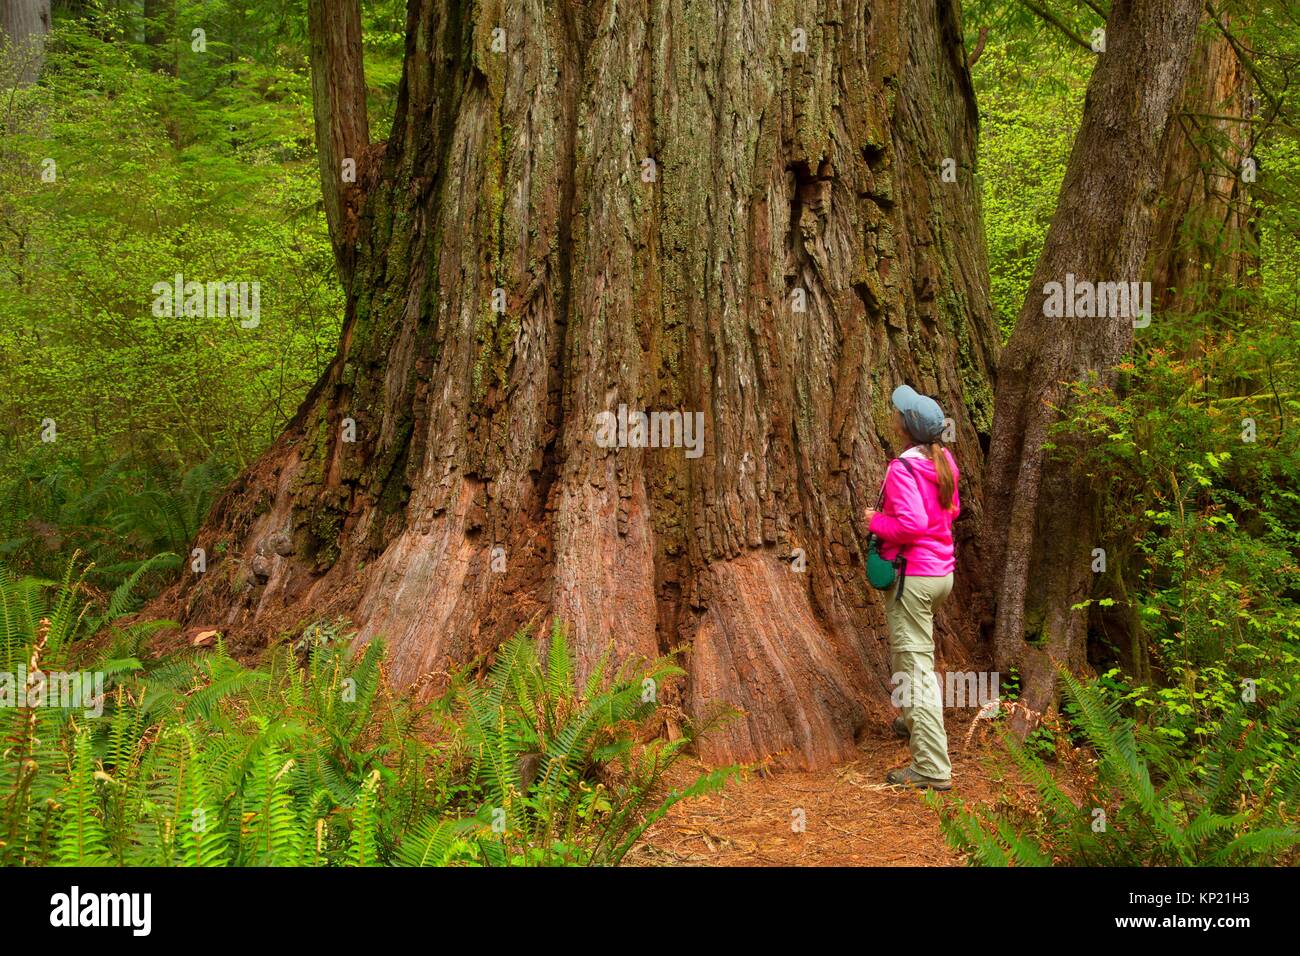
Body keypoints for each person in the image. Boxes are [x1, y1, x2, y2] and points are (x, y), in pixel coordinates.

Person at [864, 385, 960, 791]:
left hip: (914, 577)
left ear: (906, 426)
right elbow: (950, 510)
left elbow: (910, 525)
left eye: (898, 413)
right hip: (941, 575)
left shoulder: (901, 469)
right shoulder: (944, 461)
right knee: (918, 653)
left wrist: (873, 520)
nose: (894, 416)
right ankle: (911, 721)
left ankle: (932, 768)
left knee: (916, 669)